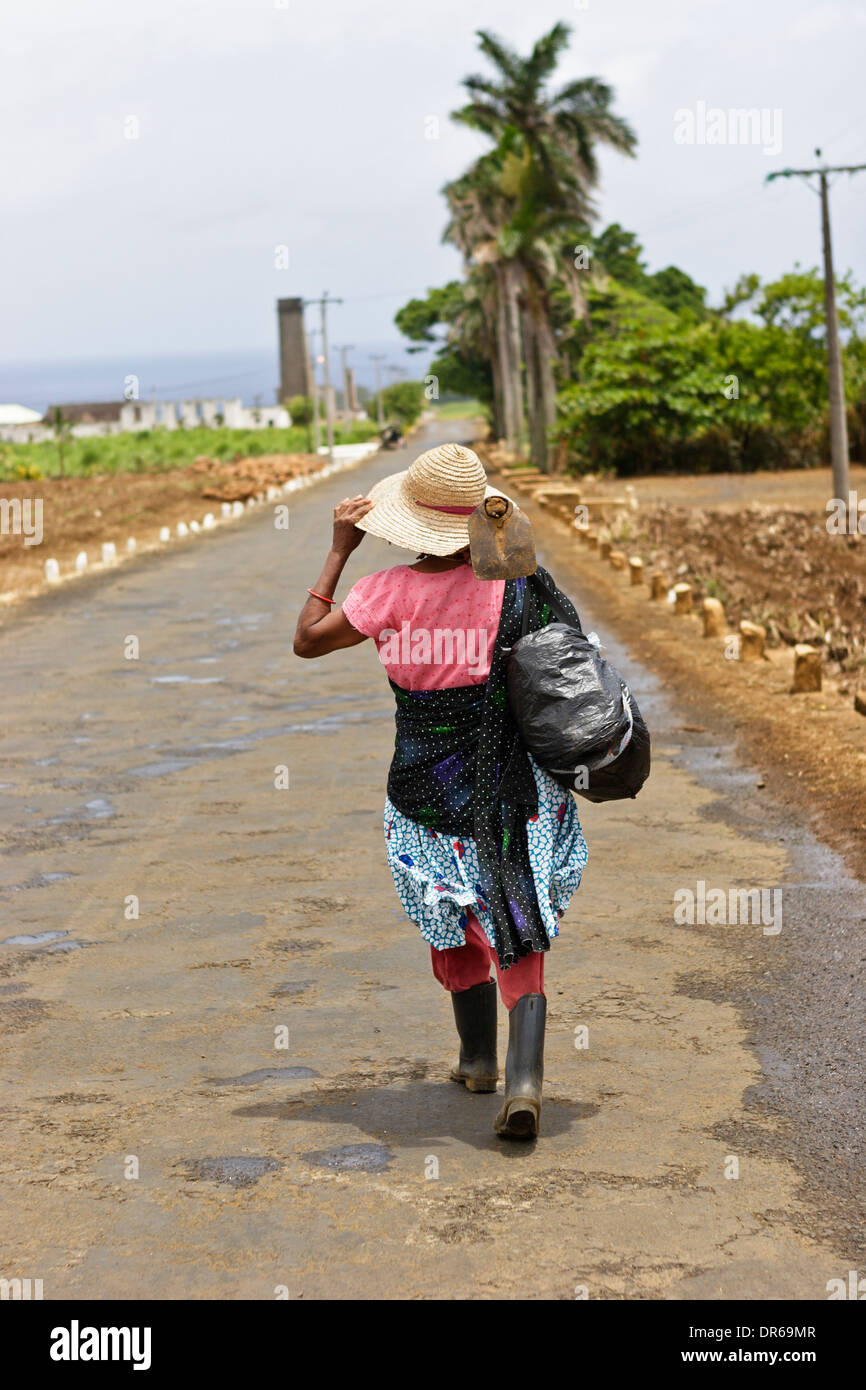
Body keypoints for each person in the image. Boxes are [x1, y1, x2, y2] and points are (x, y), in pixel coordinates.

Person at [294, 442, 588, 1138]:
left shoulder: (386, 592)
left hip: (424, 791)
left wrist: (339, 548)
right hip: (511, 786)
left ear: (406, 523)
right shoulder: (518, 588)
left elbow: (307, 642)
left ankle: (477, 1059)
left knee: (448, 914)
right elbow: (568, 662)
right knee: (517, 920)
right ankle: (524, 1081)